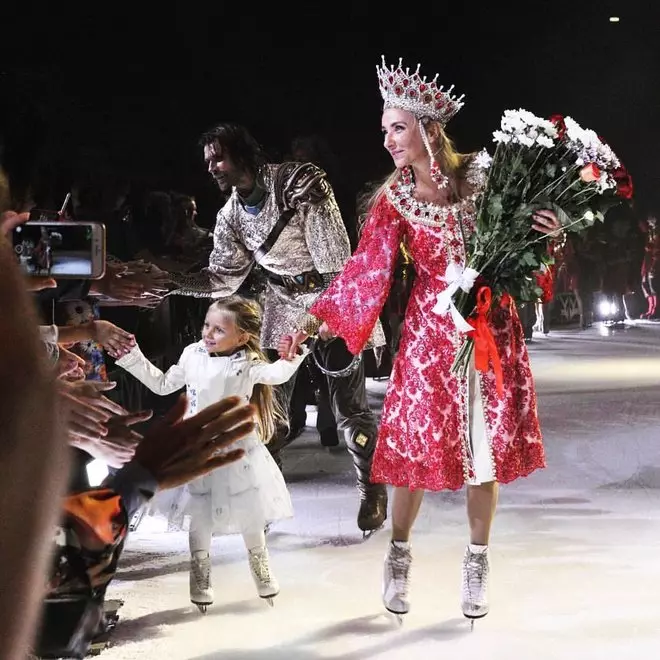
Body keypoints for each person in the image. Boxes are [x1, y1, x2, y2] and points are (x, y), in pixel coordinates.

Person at [279, 57, 561, 623]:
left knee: (483, 454)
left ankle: (477, 563)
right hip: (431, 338)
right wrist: (313, 323)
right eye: (383, 129)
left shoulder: (486, 178)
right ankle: (399, 555)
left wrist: (552, 229)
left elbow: (527, 246)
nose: (386, 140)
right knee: (411, 451)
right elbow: (365, 273)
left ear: (430, 128)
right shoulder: (394, 201)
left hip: (490, 332)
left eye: (396, 127)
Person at [158, 122, 388, 535]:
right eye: (208, 161)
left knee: (349, 408)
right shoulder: (229, 213)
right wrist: (172, 283)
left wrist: (313, 323)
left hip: (331, 300)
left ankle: (371, 488)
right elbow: (223, 277)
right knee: (271, 412)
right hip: (280, 305)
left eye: (219, 157)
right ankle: (261, 503)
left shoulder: (301, 183)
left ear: (243, 154)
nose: (212, 167)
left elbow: (336, 264)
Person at [112, 296, 307, 610]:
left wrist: (290, 357)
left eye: (219, 329)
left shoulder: (247, 363)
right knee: (200, 511)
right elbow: (162, 384)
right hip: (197, 448)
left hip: (238, 448)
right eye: (207, 325)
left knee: (248, 508)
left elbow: (275, 375)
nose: (208, 333)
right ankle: (200, 571)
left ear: (242, 337)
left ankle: (261, 564)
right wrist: (133, 357)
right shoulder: (192, 354)